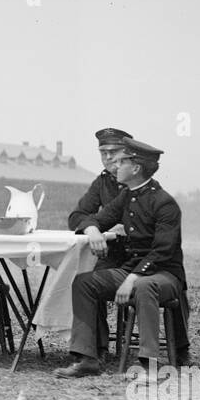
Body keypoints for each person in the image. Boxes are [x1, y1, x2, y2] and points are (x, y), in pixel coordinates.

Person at [56, 138, 189, 379]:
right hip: (131, 270)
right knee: (84, 283)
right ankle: (87, 359)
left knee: (144, 285)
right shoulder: (127, 196)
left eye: (121, 162)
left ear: (136, 168)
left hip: (163, 274)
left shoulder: (165, 203)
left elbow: (162, 252)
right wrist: (92, 229)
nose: (115, 166)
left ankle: (149, 364)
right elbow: (95, 217)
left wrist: (132, 278)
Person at [66, 126, 133, 349]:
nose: (107, 158)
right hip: (112, 255)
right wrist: (92, 229)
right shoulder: (102, 182)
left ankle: (180, 349)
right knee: (86, 279)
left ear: (128, 152)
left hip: (142, 257)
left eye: (113, 152)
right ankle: (96, 349)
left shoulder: (140, 180)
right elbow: (77, 215)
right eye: (103, 153)